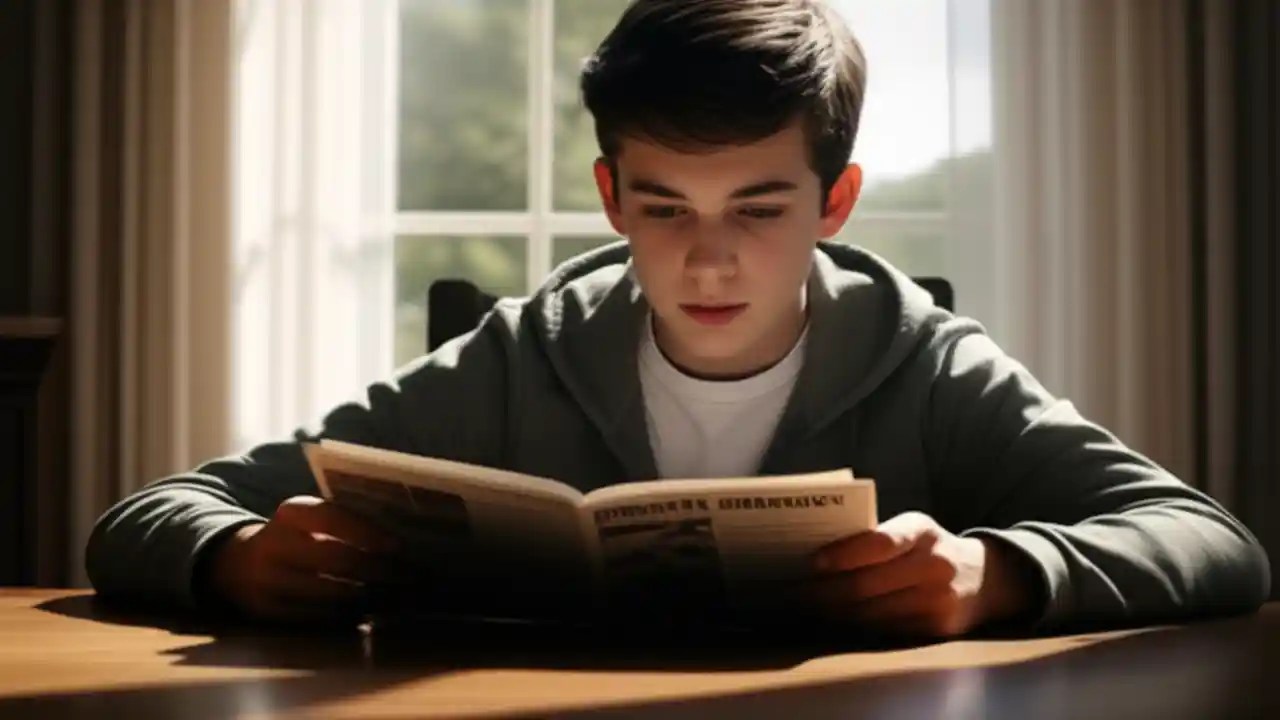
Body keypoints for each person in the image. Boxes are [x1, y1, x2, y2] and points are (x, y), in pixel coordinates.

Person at [86, 0, 1269, 636]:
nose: (707, 259)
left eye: (758, 207)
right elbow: (147, 514)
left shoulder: (930, 364)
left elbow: (1214, 544)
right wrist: (233, 557)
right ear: (610, 196)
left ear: (834, 202)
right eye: (662, 207)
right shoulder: (515, 355)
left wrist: (991, 573)